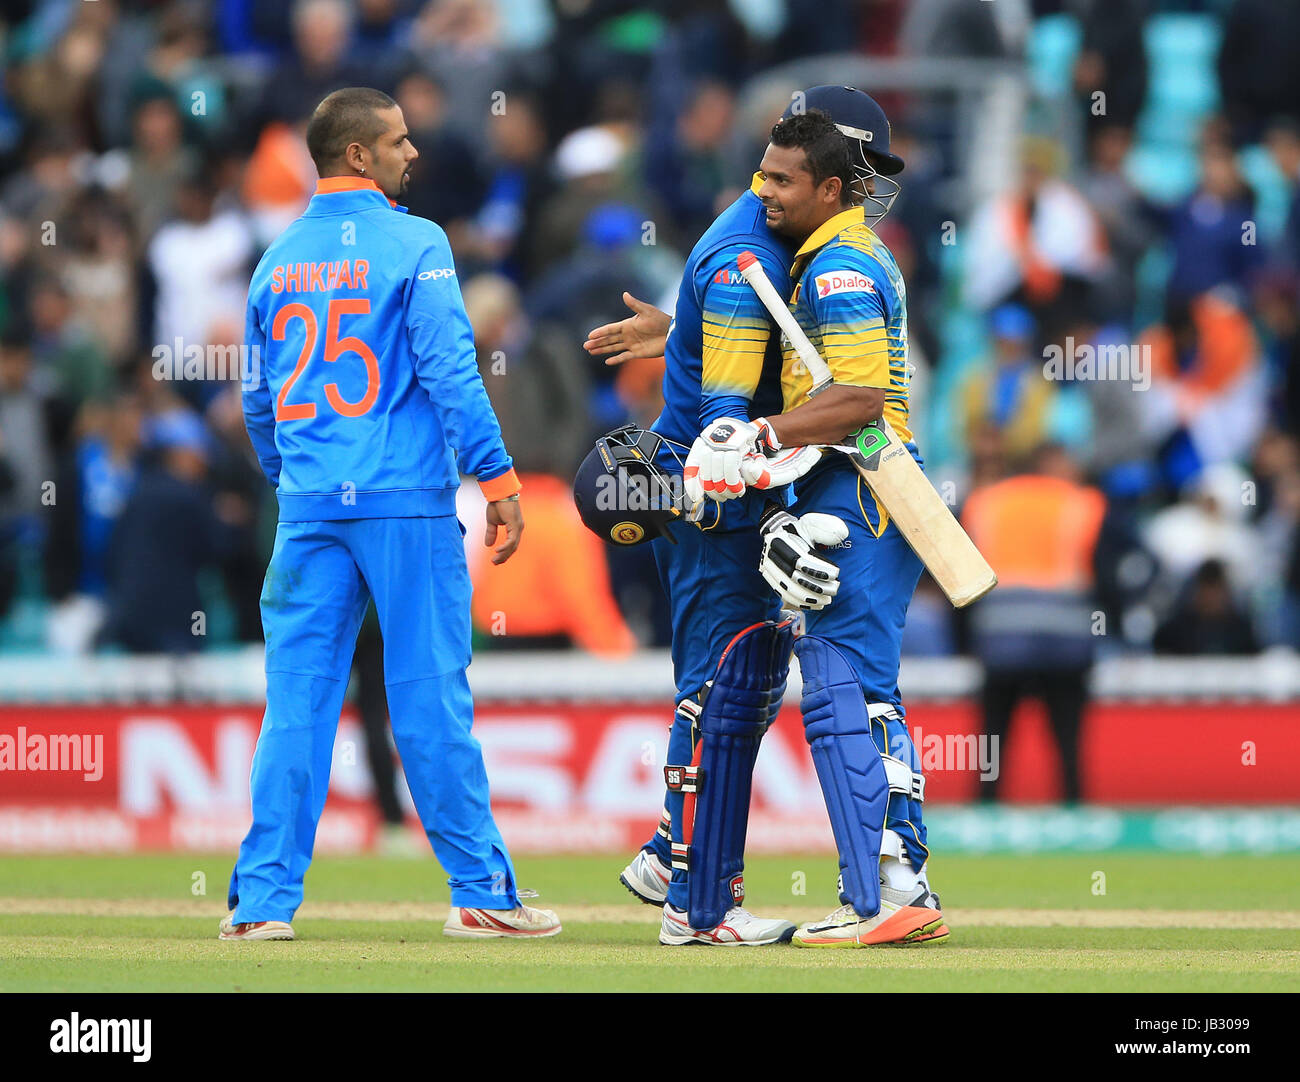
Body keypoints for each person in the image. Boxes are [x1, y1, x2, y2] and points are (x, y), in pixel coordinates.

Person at [584, 88, 943, 948]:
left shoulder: (817, 255)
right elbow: (736, 404)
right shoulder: (769, 252)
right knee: (742, 682)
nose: (871, 184)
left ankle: (700, 869)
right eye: (864, 164)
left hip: (804, 481)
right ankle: (700, 887)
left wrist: (692, 346)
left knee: (778, 681)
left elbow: (831, 388)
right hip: (734, 494)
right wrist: (729, 408)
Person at [224, 87, 560, 942]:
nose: (414, 152)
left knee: (296, 706)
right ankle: (480, 893)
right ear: (359, 155)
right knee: (429, 698)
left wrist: (293, 479)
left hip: (308, 507)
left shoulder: (275, 258)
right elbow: (450, 369)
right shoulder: (418, 243)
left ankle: (261, 906)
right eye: (399, 141)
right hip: (404, 504)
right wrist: (497, 476)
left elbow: (257, 399)